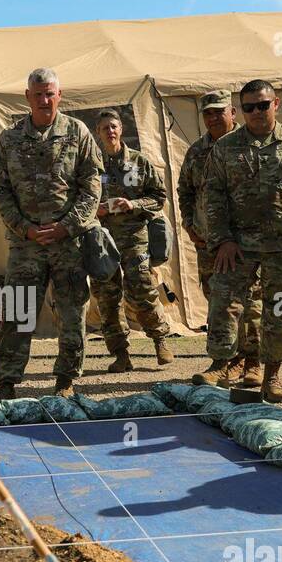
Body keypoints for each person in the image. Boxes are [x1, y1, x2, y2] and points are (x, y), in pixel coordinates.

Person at [196, 80, 282, 402]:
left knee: (279, 310)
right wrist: (222, 239)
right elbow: (212, 196)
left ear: (276, 104)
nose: (256, 112)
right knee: (224, 303)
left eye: (262, 105)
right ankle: (220, 365)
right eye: (249, 107)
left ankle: (272, 376)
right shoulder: (226, 148)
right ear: (241, 111)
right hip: (237, 246)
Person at [0, 68, 102, 399]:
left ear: (59, 95)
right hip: (26, 245)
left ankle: (66, 379)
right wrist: (24, 228)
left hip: (68, 243)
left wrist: (67, 226)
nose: (44, 99)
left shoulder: (77, 133)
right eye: (37, 94)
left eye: (49, 93)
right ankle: (7, 381)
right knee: (17, 314)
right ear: (27, 97)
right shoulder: (9, 139)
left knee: (71, 314)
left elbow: (91, 187)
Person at [177, 90, 262, 387]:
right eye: (208, 114)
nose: (213, 118)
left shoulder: (249, 144)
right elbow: (185, 192)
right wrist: (189, 225)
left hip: (245, 243)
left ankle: (253, 362)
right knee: (217, 303)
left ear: (233, 113)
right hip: (208, 244)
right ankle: (226, 362)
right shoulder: (196, 152)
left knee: (250, 303)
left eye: (219, 111)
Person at [88, 109, 173, 372]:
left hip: (135, 238)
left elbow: (159, 196)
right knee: (107, 296)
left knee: (142, 289)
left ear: (121, 130)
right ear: (98, 133)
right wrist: (96, 209)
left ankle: (160, 339)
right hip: (103, 240)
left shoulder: (139, 162)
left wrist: (133, 204)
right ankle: (121, 354)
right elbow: (80, 200)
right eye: (105, 128)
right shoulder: (92, 166)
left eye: (114, 126)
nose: (110, 132)